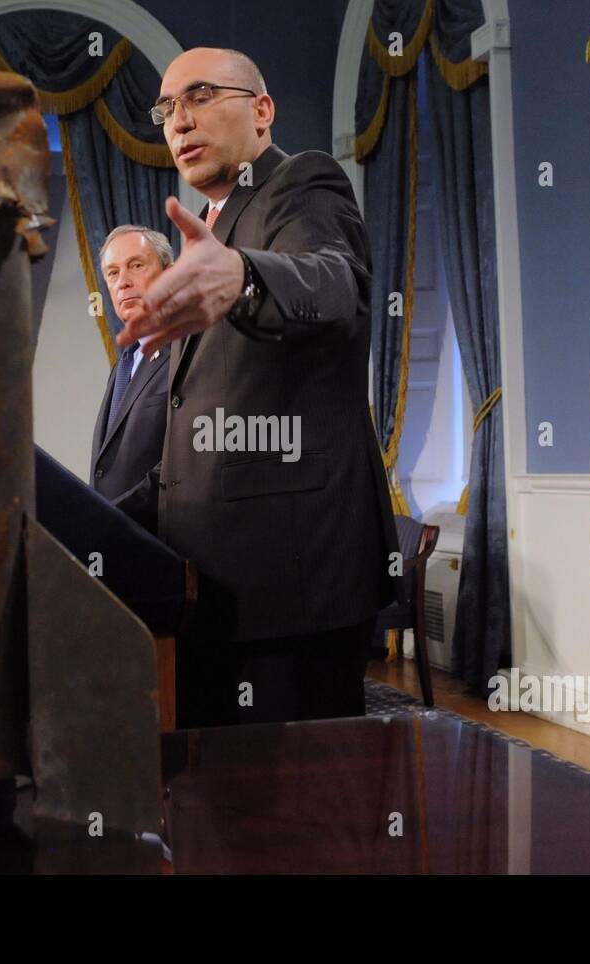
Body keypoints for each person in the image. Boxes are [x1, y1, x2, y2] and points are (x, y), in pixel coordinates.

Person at [117, 47, 403, 728]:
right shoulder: (211, 231)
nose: (177, 121)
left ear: (262, 111)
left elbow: (334, 286)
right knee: (221, 817)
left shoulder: (303, 184)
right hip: (210, 585)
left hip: (289, 590)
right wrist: (87, 516)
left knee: (297, 821)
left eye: (201, 96)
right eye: (165, 109)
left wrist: (244, 275)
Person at [90, 226, 172, 534]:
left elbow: (183, 465)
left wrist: (109, 519)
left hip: (162, 547)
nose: (123, 282)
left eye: (136, 266)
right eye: (112, 273)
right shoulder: (124, 363)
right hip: (117, 551)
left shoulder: (189, 349)